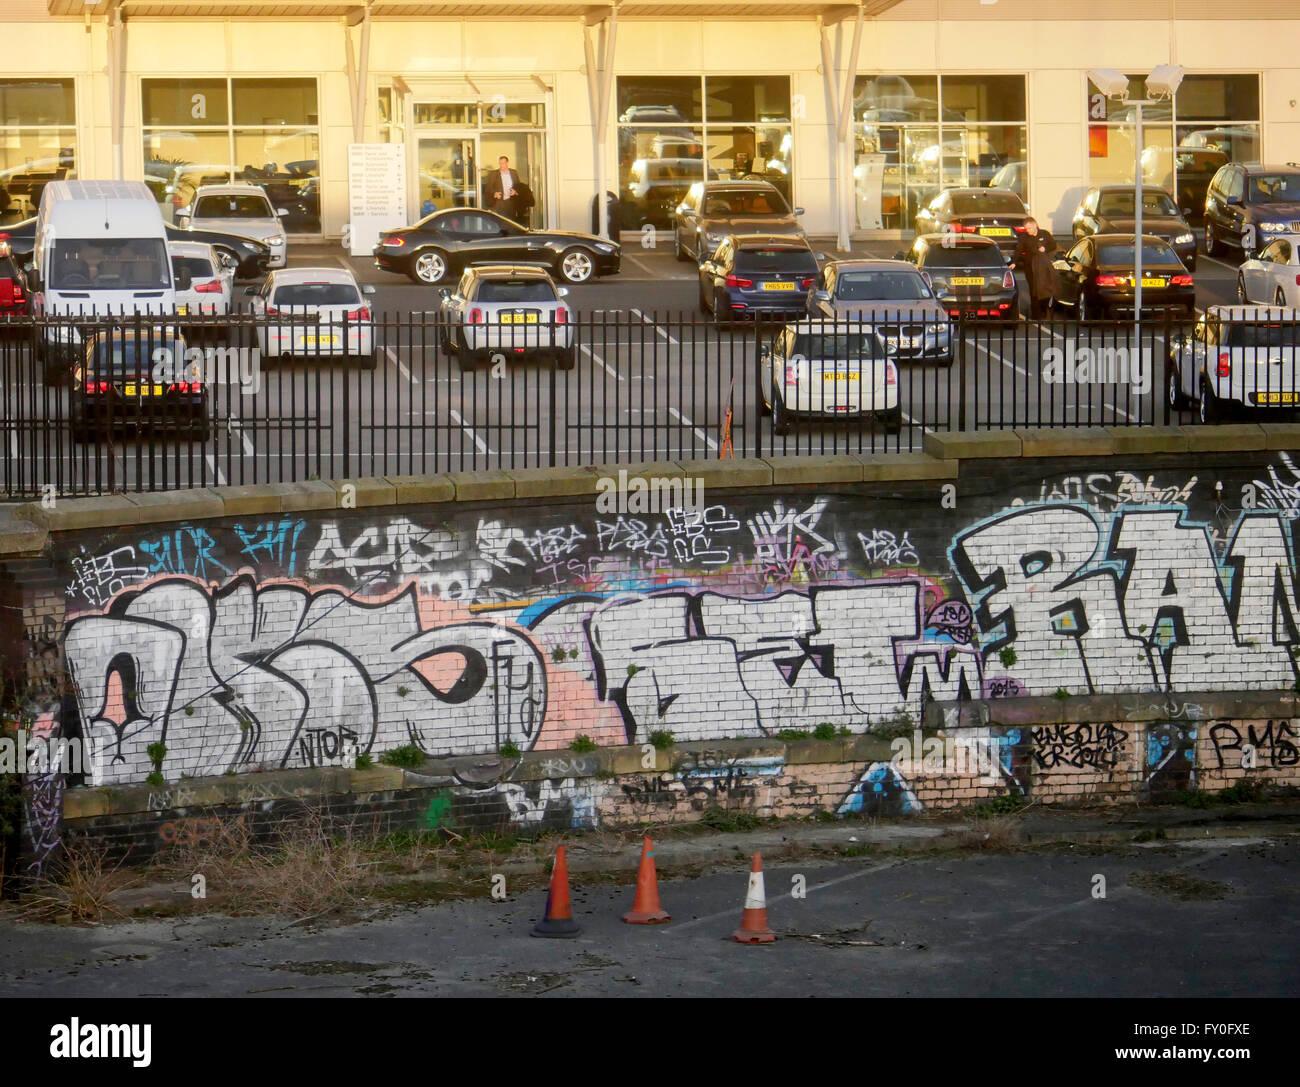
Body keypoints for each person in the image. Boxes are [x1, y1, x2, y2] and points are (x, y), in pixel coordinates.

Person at [1011, 217, 1056, 319]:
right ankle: (1036, 314)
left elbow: (1053, 245)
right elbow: (1018, 250)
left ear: (1035, 225)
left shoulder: (1045, 234)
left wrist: (1045, 248)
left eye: (1029, 228)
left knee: (1045, 289)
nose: (1028, 231)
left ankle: (1044, 308)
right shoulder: (1024, 237)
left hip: (1043, 267)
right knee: (1034, 290)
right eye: (1026, 229)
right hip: (1030, 268)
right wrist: (1014, 262)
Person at [486, 155, 522, 220]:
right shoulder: (494, 174)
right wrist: (494, 194)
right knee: (500, 223)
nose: (501, 166)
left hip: (511, 203)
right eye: (500, 163)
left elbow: (519, 187)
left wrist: (515, 192)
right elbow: (488, 189)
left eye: (503, 163)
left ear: (507, 163)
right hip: (499, 203)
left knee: (511, 223)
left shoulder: (514, 173)